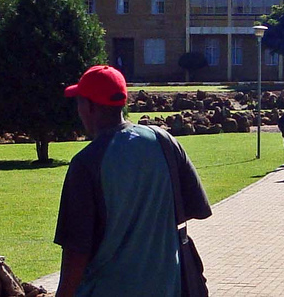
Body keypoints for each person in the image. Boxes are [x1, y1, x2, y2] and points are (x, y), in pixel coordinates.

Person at [55, 65, 211, 297]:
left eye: (79, 102)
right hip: (168, 287)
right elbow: (197, 208)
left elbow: (76, 252)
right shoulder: (164, 141)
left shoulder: (87, 162)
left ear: (89, 107)